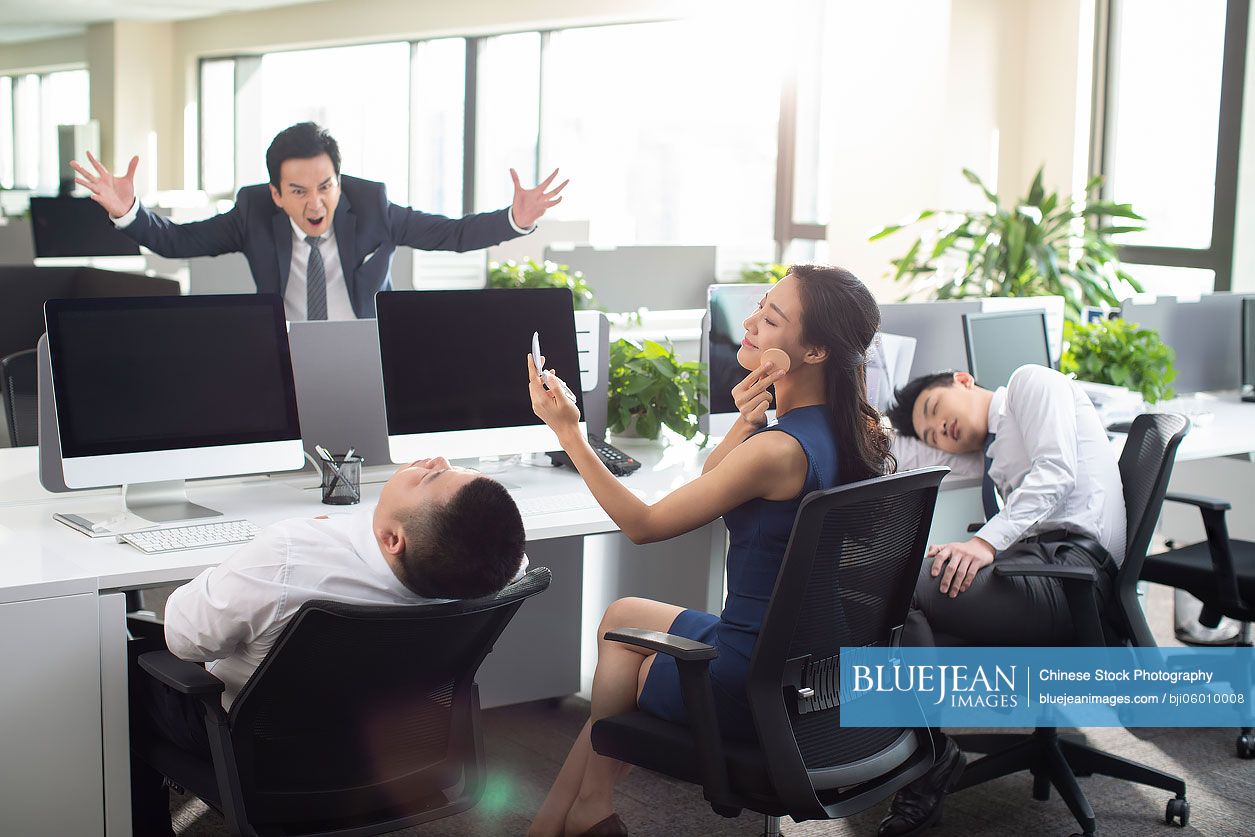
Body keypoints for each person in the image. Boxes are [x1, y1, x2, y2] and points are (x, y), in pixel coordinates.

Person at [523, 266, 894, 837]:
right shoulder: (851, 429)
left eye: (770, 318)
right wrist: (748, 420)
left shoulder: (779, 451)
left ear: (814, 349)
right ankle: (571, 817)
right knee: (622, 615)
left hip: (750, 683)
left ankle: (585, 809)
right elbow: (713, 479)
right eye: (759, 307)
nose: (748, 323)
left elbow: (643, 525)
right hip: (811, 666)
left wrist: (569, 432)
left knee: (624, 651)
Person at [128, 457, 527, 837]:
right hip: (394, 748)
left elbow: (184, 637)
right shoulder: (489, 571)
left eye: (431, 478)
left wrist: (236, 569)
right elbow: (517, 559)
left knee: (124, 664)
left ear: (392, 539)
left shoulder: (288, 555)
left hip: (262, 754)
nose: (435, 460)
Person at [877, 364, 1126, 836]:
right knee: (907, 623)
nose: (941, 432)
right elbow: (907, 456)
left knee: (901, 587)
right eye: (934, 434)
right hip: (1040, 571)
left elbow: (1056, 474)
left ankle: (924, 762)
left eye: (935, 408)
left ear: (963, 379)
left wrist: (983, 545)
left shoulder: (1031, 384)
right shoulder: (991, 447)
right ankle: (913, 754)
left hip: (1072, 578)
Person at [70, 122, 568, 320]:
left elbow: (452, 235)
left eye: (326, 186)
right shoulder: (253, 213)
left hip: (366, 355)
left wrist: (514, 220)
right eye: (299, 191)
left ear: (339, 181)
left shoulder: (371, 206)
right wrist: (127, 211)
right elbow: (176, 242)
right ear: (276, 194)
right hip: (284, 355)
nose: (316, 204)